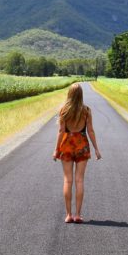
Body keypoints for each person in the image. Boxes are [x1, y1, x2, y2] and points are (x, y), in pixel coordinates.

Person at [52, 82, 101, 223]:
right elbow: (90, 130)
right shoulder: (86, 111)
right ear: (81, 95)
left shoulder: (63, 110)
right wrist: (96, 149)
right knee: (79, 180)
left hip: (67, 144)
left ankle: (68, 215)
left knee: (68, 180)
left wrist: (56, 149)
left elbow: (61, 131)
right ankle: (78, 214)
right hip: (82, 145)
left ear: (69, 94)